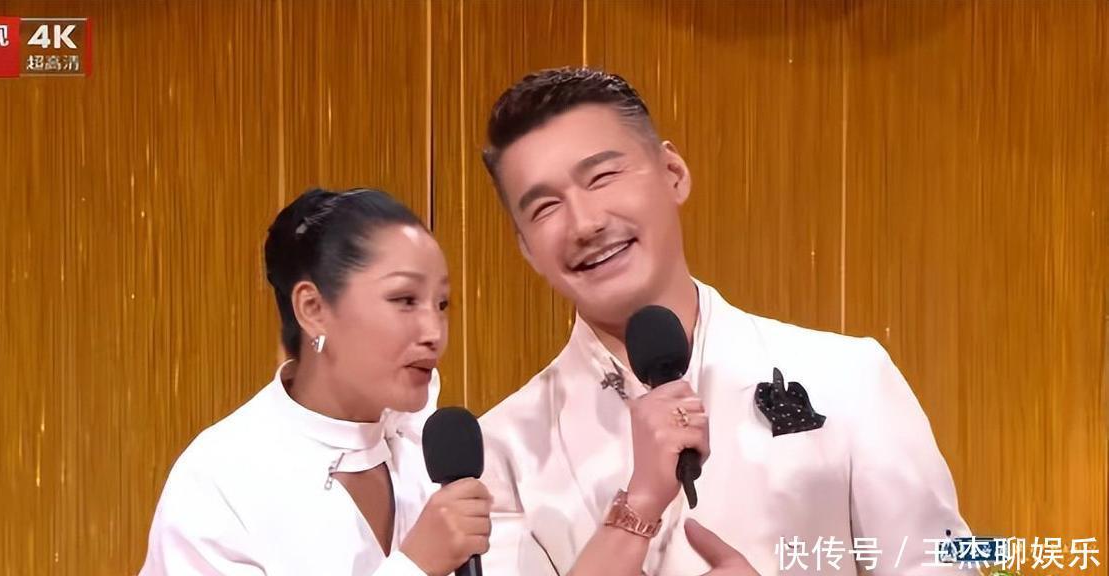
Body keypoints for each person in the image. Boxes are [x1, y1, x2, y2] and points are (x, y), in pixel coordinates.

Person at [476, 67, 973, 575]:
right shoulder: (501, 451)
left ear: (673, 173)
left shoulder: (850, 374)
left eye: (602, 177)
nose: (585, 223)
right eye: (546, 207)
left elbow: (953, 562)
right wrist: (638, 507)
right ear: (526, 248)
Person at [139, 188, 490, 575]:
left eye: (441, 304)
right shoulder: (219, 481)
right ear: (313, 308)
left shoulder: (429, 449)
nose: (434, 332)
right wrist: (416, 565)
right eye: (405, 300)